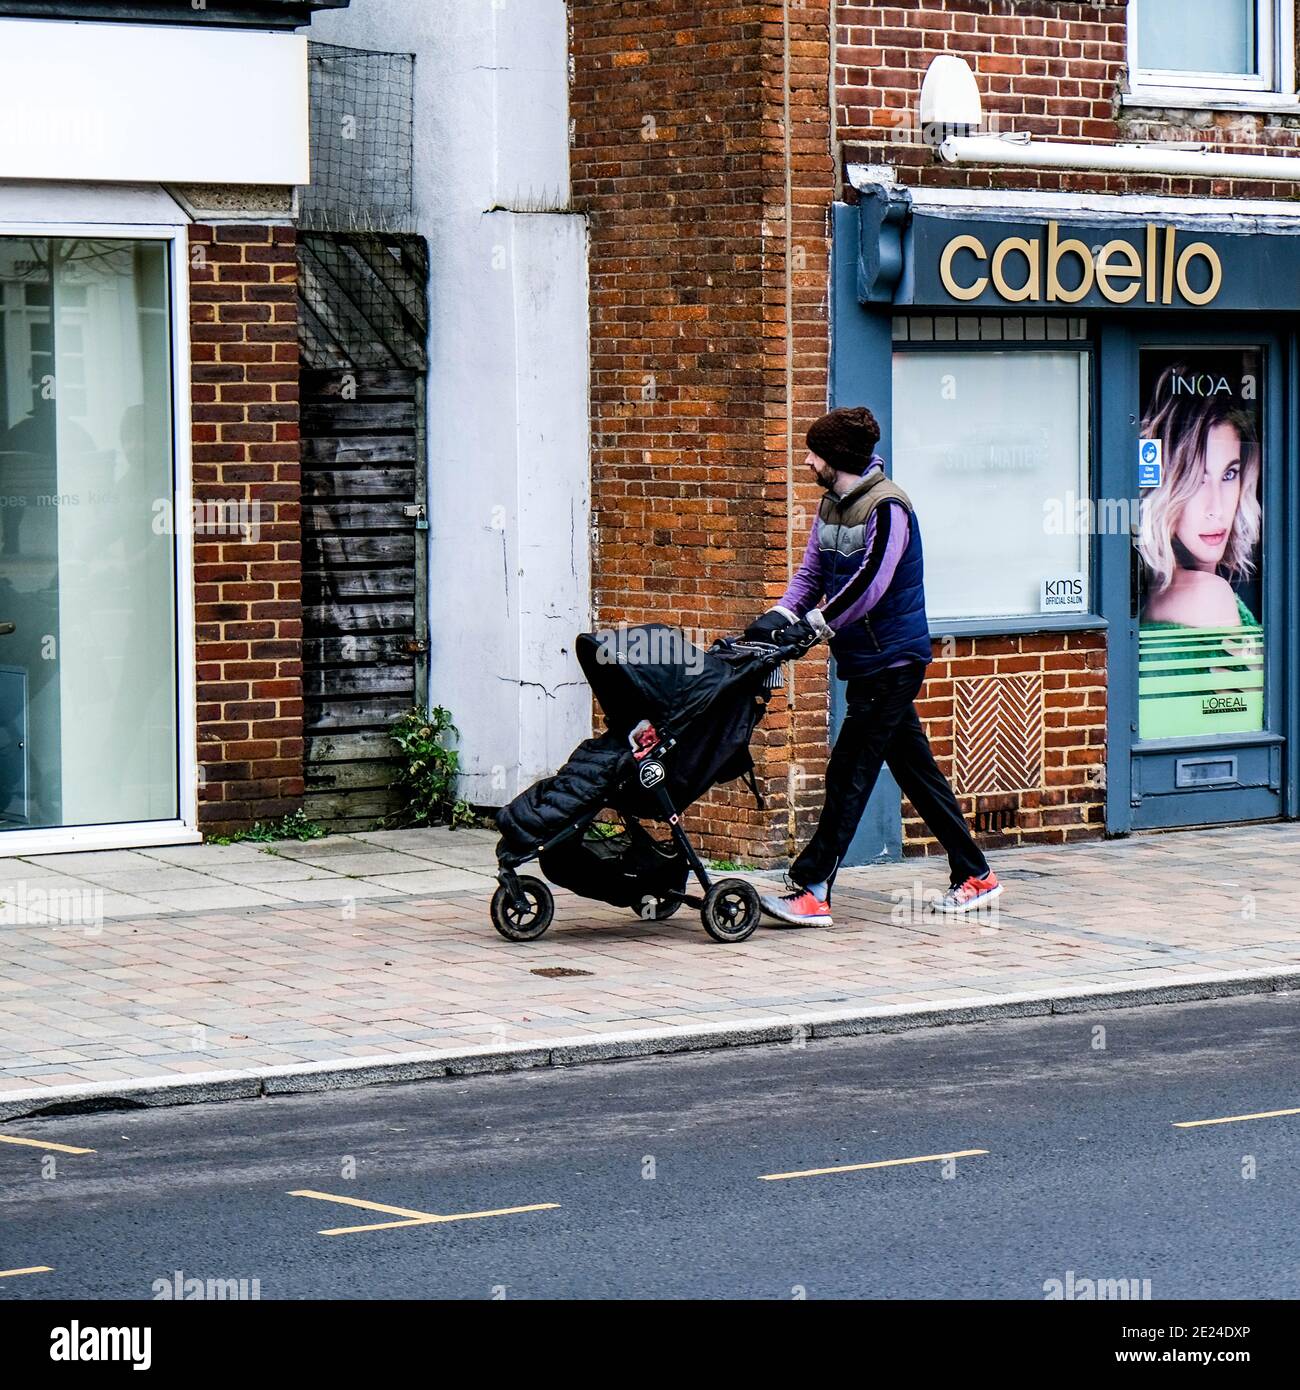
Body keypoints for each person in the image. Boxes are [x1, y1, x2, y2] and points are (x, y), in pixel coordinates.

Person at [745, 406, 1001, 925]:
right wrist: (777, 616)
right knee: (916, 771)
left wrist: (813, 625)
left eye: (814, 452)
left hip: (894, 659)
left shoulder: (888, 508)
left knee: (848, 772)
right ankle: (975, 875)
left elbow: (869, 585)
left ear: (835, 458)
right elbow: (812, 572)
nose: (808, 459)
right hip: (863, 658)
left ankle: (813, 888)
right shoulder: (832, 505)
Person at [1136, 365, 1261, 630]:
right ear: (1167, 486)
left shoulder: (1156, 592)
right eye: (1197, 480)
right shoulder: (1210, 596)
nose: (1216, 508)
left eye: (1229, 474)